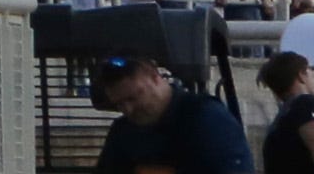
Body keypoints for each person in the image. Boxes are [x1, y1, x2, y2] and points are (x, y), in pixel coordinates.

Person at [91, 43, 254, 174]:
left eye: (133, 98)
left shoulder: (207, 119)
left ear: (155, 78)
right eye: (119, 104)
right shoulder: (123, 132)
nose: (128, 109)